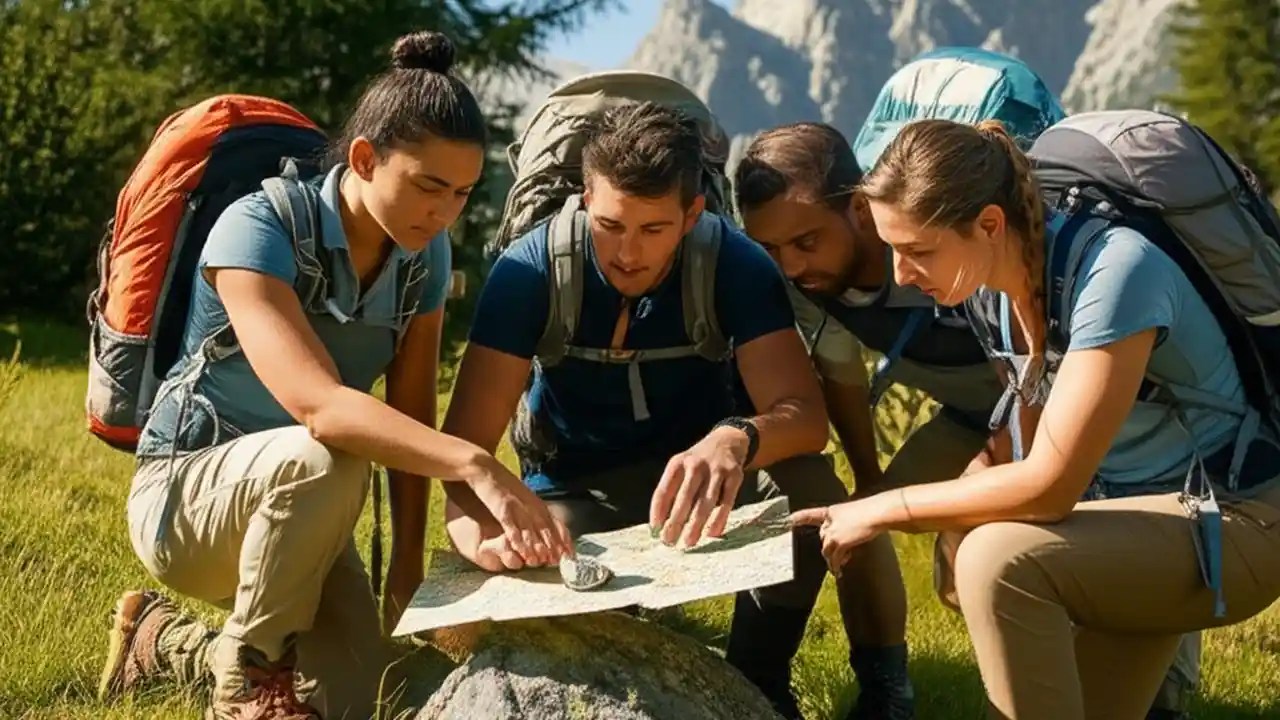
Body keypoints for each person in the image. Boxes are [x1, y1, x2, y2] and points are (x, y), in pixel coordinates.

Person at [97, 31, 571, 720]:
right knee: (329, 452)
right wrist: (474, 463)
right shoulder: (256, 227)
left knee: (362, 697)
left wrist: (407, 568)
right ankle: (246, 688)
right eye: (429, 187)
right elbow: (320, 407)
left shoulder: (423, 255)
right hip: (187, 501)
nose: (444, 213)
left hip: (304, 515)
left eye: (462, 194)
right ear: (364, 158)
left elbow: (412, 414)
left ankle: (160, 640)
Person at [793, 118, 1280, 719]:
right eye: (892, 248)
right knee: (979, 555)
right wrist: (958, 513)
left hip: (1238, 519)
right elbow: (1027, 445)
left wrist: (885, 508)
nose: (900, 274)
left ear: (989, 225)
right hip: (1135, 520)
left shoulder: (1118, 272)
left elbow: (1049, 486)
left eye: (917, 251)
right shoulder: (990, 289)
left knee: (998, 562)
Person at [438, 101, 852, 720]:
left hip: (702, 493)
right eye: (610, 224)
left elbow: (805, 418)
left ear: (692, 214)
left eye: (654, 230)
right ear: (584, 198)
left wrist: (737, 437)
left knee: (813, 488)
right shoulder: (527, 272)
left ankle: (759, 683)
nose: (628, 252)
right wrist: (479, 539)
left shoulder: (736, 266)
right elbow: (464, 455)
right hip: (573, 495)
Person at [734, 121, 1002, 719]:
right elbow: (842, 374)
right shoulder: (806, 282)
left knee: (994, 555)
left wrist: (989, 476)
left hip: (1046, 405)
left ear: (860, 208)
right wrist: (868, 485)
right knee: (855, 523)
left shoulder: (933, 238)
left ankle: (1158, 698)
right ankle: (887, 697)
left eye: (806, 241)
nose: (790, 265)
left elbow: (1034, 369)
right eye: (770, 249)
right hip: (969, 415)